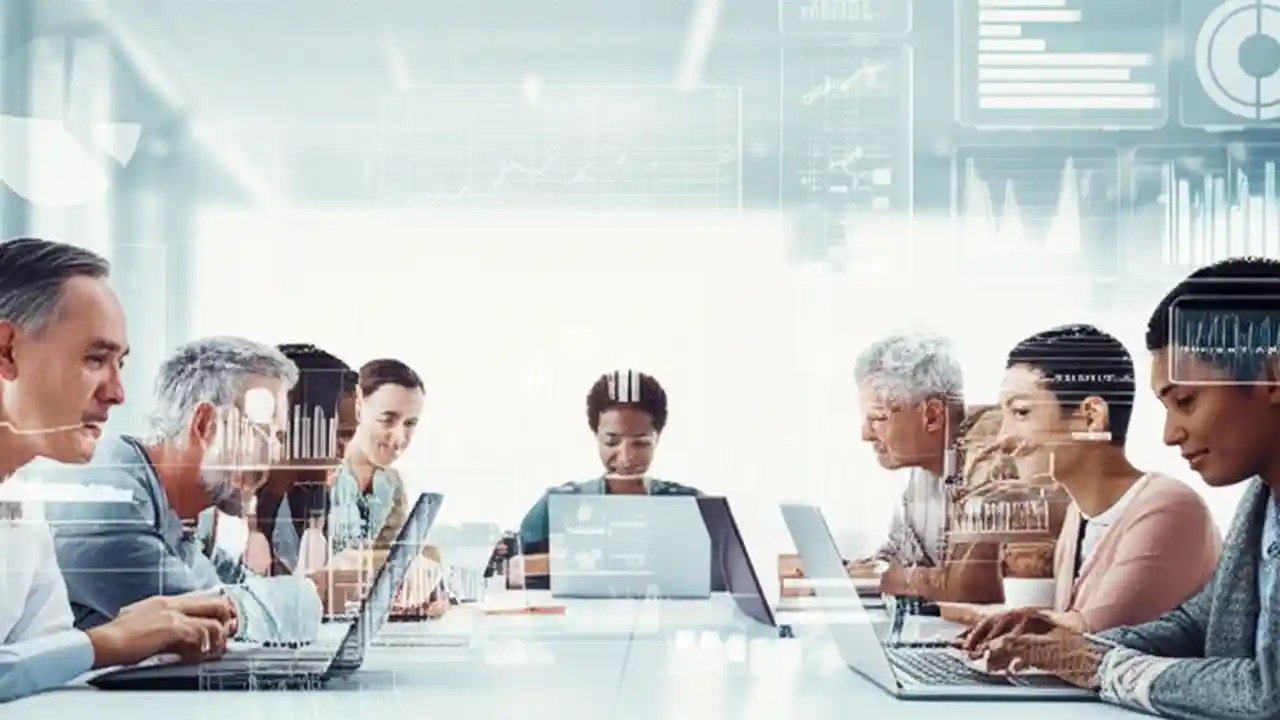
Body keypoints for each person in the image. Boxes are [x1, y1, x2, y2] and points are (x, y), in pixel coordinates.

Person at [963, 260, 1280, 720]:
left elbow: (1269, 692)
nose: (1170, 434)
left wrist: (1099, 664)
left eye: (1186, 401)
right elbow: (1198, 623)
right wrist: (1063, 646)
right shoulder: (1263, 501)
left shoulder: (1168, 505)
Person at [0, 237, 234, 703]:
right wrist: (108, 642)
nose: (117, 393)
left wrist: (146, 640)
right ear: (7, 351)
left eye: (119, 364)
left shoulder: (22, 507)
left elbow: (46, 668)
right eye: (94, 359)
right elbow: (74, 652)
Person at [42, 336, 366, 642]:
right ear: (204, 425)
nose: (278, 456)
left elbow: (230, 589)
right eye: (270, 436)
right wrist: (318, 593)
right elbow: (192, 617)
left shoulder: (176, 515)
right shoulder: (105, 498)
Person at [959, 324, 1219, 644]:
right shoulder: (1078, 515)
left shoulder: (1169, 508)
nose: (1003, 437)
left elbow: (1091, 637)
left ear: (1092, 418)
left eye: (1022, 412)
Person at [849, 331, 1014, 602]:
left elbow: (970, 589)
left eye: (877, 418)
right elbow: (899, 556)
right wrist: (843, 572)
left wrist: (880, 577)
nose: (865, 434)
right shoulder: (926, 463)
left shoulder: (993, 456)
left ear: (932, 415)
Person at [506, 370, 702, 588]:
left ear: (658, 437)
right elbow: (506, 573)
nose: (626, 458)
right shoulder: (556, 507)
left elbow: (728, 580)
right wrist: (566, 564)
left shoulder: (691, 507)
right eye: (611, 442)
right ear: (596, 436)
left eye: (640, 443)